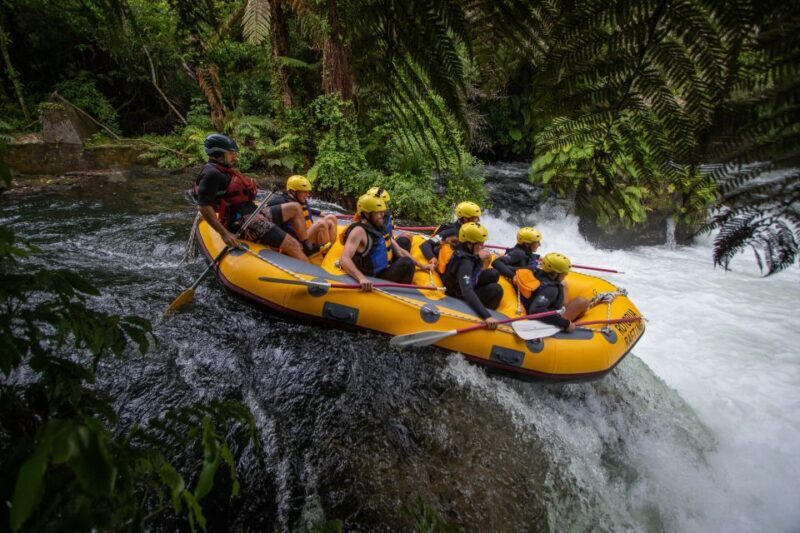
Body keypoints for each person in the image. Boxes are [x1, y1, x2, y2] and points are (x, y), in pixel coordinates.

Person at [193, 133, 308, 262]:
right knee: (292, 244)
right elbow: (203, 207)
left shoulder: (223, 170)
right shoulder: (211, 174)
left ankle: (307, 246)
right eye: (231, 153)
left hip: (252, 213)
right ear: (219, 154)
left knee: (295, 207)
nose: (234, 156)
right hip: (241, 222)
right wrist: (225, 234)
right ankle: (311, 276)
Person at [339, 194, 434, 291]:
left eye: (383, 212)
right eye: (378, 213)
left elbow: (400, 251)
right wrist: (361, 278)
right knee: (407, 263)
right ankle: (403, 293)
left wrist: (422, 266)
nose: (383, 215)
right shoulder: (359, 231)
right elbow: (344, 259)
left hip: (385, 267)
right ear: (367, 214)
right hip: (374, 276)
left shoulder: (379, 226)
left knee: (404, 242)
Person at [442, 222, 504, 329]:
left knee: (493, 274)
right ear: (469, 244)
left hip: (459, 281)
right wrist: (486, 316)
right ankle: (484, 318)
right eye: (479, 244)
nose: (482, 246)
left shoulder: (459, 246)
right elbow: (467, 291)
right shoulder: (465, 263)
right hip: (457, 294)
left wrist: (478, 259)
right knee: (496, 290)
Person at [519, 252, 589, 332]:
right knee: (582, 302)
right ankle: (573, 323)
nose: (566, 274)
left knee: (564, 285)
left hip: (538, 303)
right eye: (564, 272)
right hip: (547, 320)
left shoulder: (535, 272)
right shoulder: (551, 289)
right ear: (556, 274)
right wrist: (565, 324)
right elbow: (536, 310)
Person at [268, 175, 338, 249]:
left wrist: (319, 213)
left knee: (331, 218)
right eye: (304, 192)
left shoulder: (300, 200)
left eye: (308, 192)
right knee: (321, 224)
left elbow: (305, 209)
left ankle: (330, 251)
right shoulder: (282, 202)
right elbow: (268, 210)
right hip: (298, 240)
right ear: (293, 191)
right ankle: (324, 256)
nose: (307, 195)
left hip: (307, 233)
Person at [420, 201, 484, 272]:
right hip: (451, 266)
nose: (478, 220)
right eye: (475, 218)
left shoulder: (469, 230)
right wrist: (432, 258)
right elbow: (426, 244)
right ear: (465, 219)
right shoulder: (452, 231)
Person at [365, 186, 411, 252]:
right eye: (384, 203)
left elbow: (388, 229)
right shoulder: (370, 218)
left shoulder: (386, 213)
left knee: (408, 235)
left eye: (386, 203)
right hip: (383, 245)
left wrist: (392, 227)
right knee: (404, 240)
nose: (386, 206)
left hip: (389, 240)